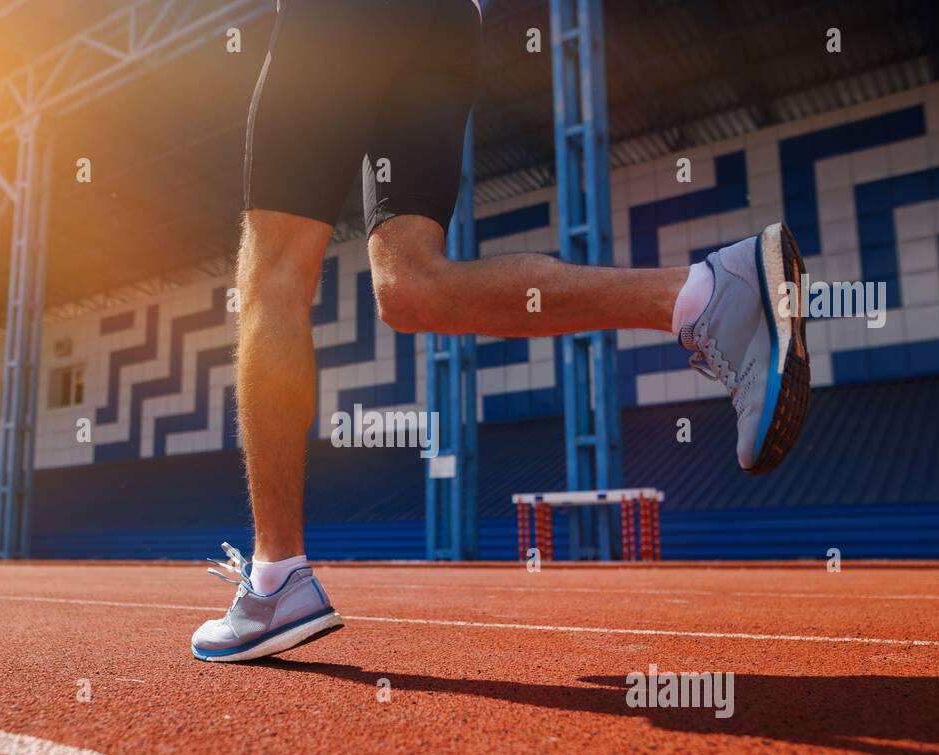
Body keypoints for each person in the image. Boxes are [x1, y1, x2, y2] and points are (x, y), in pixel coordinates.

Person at [192, 0, 810, 663]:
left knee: (274, 274)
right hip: (448, 22)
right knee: (412, 286)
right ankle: (703, 294)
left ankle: (275, 576)